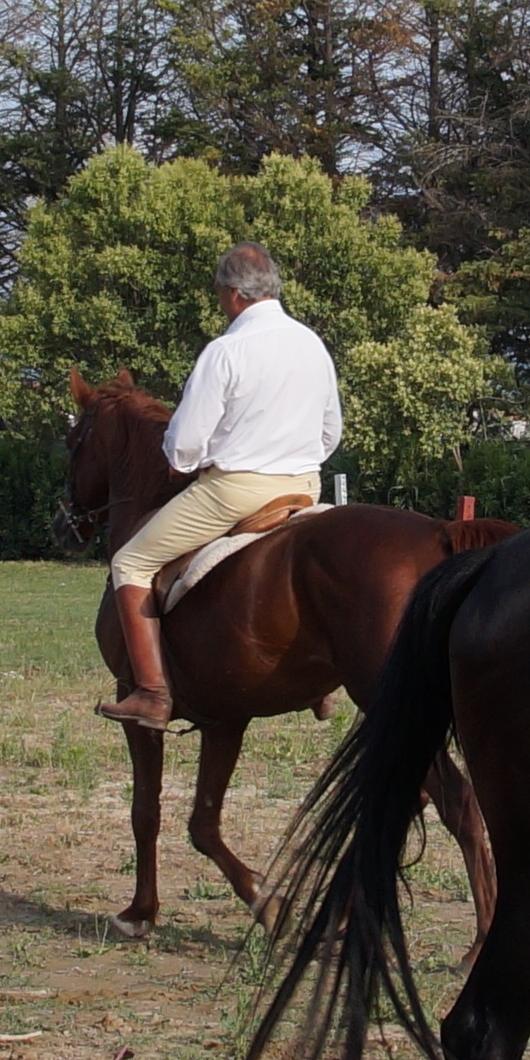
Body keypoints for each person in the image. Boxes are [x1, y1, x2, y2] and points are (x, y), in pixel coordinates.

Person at [93, 242, 345, 729]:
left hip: (236, 490)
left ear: (232, 294)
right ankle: (319, 684)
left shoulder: (226, 350)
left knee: (131, 561)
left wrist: (204, 456)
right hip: (304, 487)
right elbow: (330, 431)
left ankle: (150, 692)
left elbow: (183, 447)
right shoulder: (312, 343)